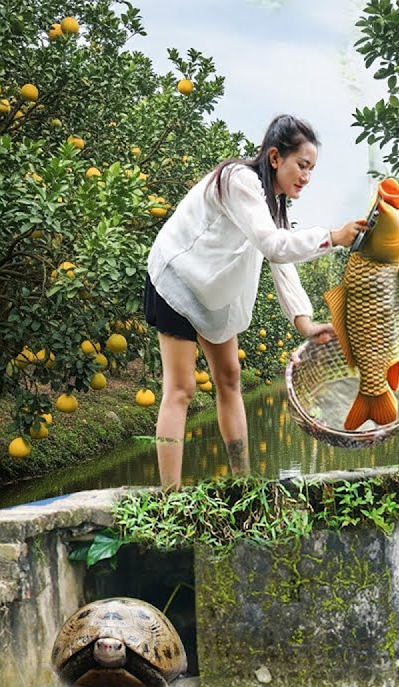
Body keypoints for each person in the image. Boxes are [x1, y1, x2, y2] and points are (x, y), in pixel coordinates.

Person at [144, 114, 368, 491]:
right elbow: (273, 245)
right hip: (179, 281)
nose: (306, 177)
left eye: (312, 169)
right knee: (181, 389)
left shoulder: (275, 205)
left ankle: (242, 484)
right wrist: (334, 236)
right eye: (302, 165)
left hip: (214, 292)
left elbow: (282, 261)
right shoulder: (239, 181)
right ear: (276, 157)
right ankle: (171, 495)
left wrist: (306, 324)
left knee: (230, 378)